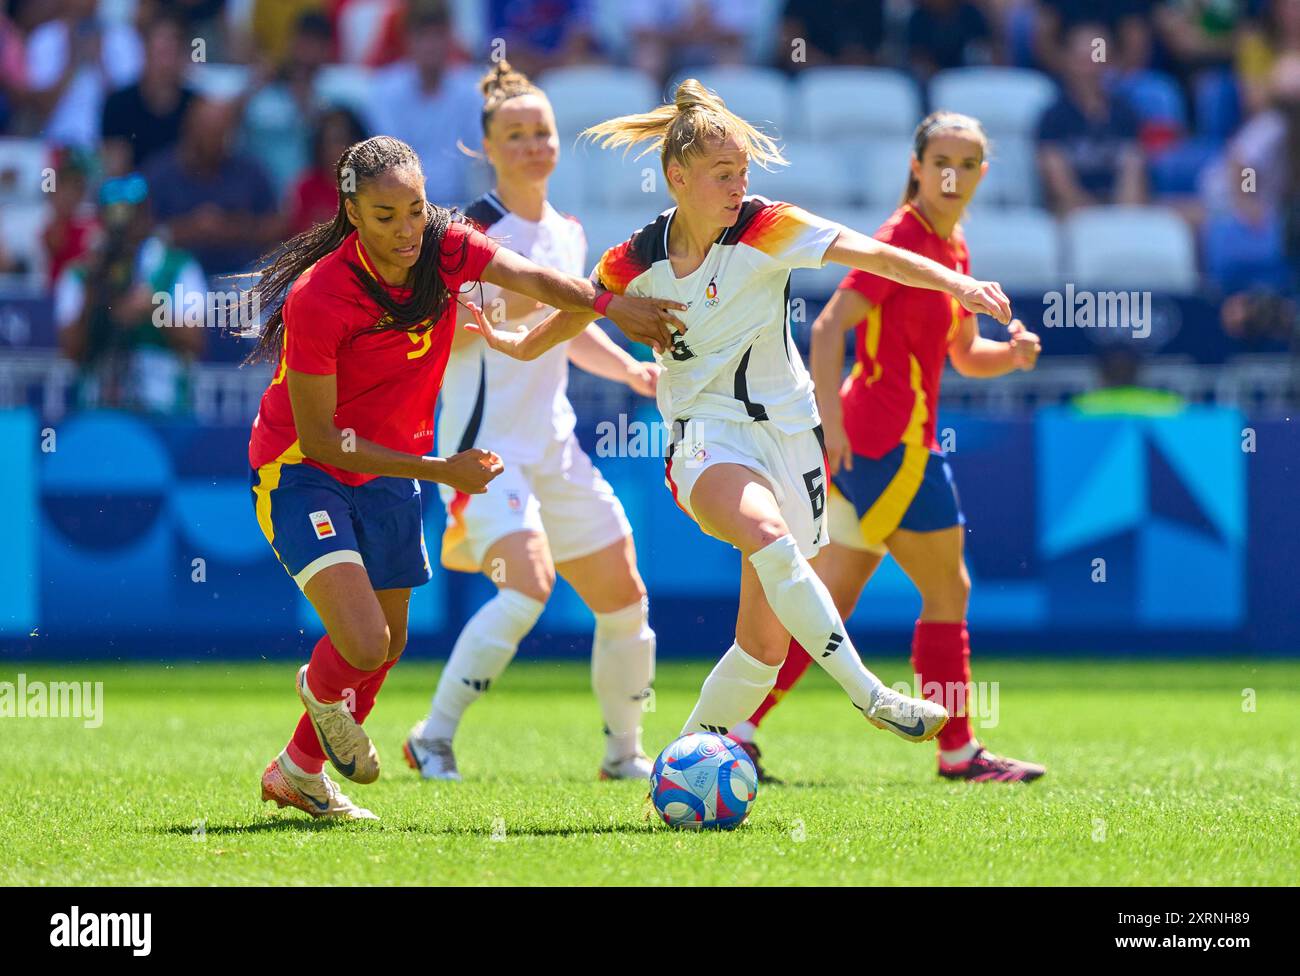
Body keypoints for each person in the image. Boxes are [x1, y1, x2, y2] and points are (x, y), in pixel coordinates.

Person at [467, 81, 1014, 758]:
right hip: (705, 436)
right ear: (677, 177)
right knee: (766, 533)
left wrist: (959, 284)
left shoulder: (766, 226)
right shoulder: (638, 256)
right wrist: (519, 344)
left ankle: (683, 761)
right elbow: (581, 303)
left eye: (742, 172)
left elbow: (870, 254)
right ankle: (870, 694)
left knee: (761, 649)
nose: (738, 187)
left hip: (791, 436)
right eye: (722, 174)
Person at [244, 134, 686, 820]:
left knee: (388, 644)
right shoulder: (319, 297)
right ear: (352, 213)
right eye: (386, 216)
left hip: (389, 468)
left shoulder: (445, 247)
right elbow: (326, 439)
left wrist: (607, 305)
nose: (407, 230)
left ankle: (298, 772)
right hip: (304, 469)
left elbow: (533, 279)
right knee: (363, 643)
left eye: (416, 209)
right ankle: (328, 696)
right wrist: (440, 469)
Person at [730, 112, 1048, 784]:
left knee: (830, 600)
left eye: (967, 164)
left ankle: (738, 730)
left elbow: (964, 354)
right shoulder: (902, 239)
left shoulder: (952, 247)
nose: (953, 175)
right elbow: (828, 328)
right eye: (941, 162)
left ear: (983, 173)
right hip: (890, 444)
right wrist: (828, 424)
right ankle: (958, 751)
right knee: (949, 588)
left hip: (876, 444)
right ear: (916, 167)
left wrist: (1012, 357)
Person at [406, 62, 659, 782]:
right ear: (486, 147)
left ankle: (623, 754)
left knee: (625, 598)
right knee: (527, 586)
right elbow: (442, 331)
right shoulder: (466, 233)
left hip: (554, 445)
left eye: (542, 132)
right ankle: (433, 738)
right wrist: (523, 301)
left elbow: (567, 329)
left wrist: (629, 369)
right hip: (484, 451)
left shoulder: (568, 232)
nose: (532, 145)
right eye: (515, 134)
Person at [54, 173, 206, 413]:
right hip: (97, 405)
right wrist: (94, 296)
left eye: (132, 213)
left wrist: (154, 308)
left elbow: (195, 342)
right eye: (114, 214)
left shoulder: (178, 267)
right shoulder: (80, 273)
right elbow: (71, 350)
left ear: (147, 215)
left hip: (163, 405)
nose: (124, 226)